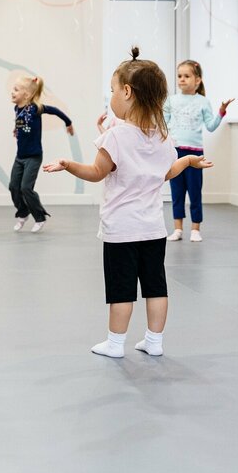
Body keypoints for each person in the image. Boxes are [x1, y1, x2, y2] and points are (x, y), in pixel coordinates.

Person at [44, 48, 213, 358]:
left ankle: (115, 344)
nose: (111, 97)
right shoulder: (163, 138)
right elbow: (165, 173)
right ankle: (154, 341)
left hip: (121, 230)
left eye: (112, 90)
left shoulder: (115, 136)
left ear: (126, 92)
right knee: (156, 287)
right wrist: (188, 161)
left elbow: (96, 172)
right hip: (153, 229)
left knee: (121, 290)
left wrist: (68, 164)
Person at [163, 60, 232, 242]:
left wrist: (221, 112)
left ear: (198, 80)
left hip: (195, 155)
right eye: (179, 76)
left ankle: (195, 229)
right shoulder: (171, 101)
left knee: (195, 192)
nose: (182, 79)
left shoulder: (203, 102)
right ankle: (178, 229)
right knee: (177, 192)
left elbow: (210, 126)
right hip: (175, 152)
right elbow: (163, 123)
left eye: (187, 76)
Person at [10, 75, 73, 233]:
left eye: (16, 90)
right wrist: (16, 128)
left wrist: (68, 123)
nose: (12, 92)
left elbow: (55, 111)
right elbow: (21, 121)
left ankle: (39, 217)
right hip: (20, 157)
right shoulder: (17, 108)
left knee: (26, 188)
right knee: (13, 187)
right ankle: (23, 212)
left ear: (26, 94)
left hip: (33, 156)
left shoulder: (35, 108)